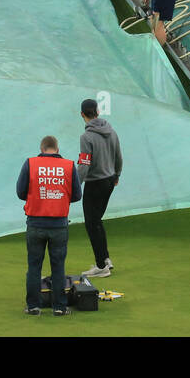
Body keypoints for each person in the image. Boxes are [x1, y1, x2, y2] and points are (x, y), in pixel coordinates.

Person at [17, 135, 83, 316]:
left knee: (34, 267)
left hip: (35, 223)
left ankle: (33, 306)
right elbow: (77, 195)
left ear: (41, 149)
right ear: (57, 149)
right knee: (58, 267)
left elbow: (20, 192)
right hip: (59, 224)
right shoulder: (69, 166)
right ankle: (60, 307)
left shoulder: (30, 163)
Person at [77, 98, 122, 278]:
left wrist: (75, 185)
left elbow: (84, 165)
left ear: (82, 115)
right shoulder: (112, 131)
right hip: (110, 181)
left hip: (95, 183)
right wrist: (117, 175)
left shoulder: (86, 137)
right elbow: (119, 156)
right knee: (97, 221)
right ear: (98, 112)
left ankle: (100, 265)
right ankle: (105, 259)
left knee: (91, 222)